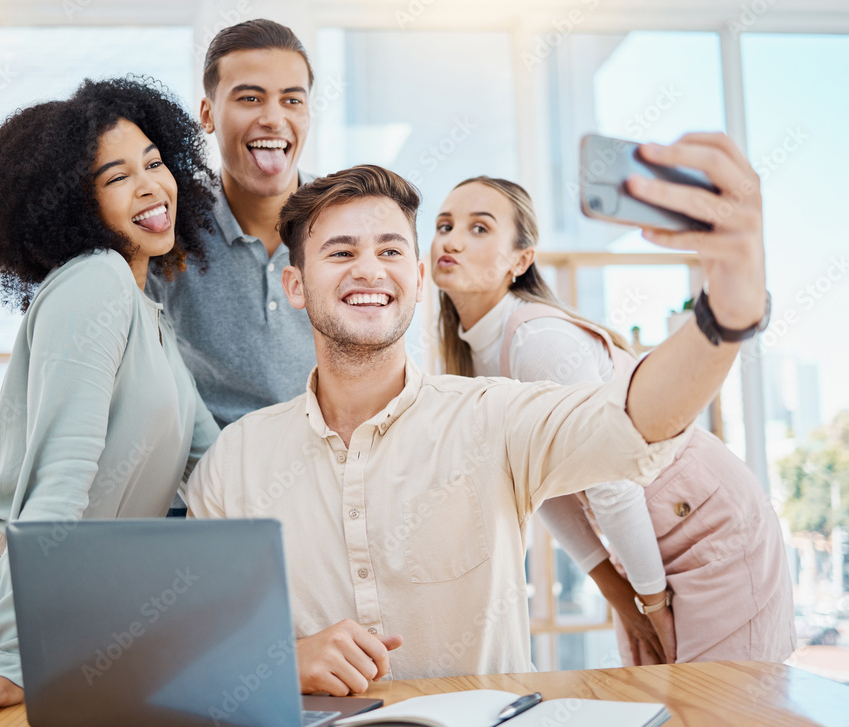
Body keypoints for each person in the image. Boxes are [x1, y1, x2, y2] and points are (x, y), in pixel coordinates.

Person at [186, 132, 773, 695]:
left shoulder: (493, 418)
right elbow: (195, 647)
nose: (369, 269)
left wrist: (728, 306)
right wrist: (282, 661)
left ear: (417, 280)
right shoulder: (233, 464)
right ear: (295, 284)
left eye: (390, 251)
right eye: (341, 252)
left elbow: (633, 420)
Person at [0, 77, 220, 725]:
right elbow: (60, 480)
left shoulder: (146, 311)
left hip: (63, 600)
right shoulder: (94, 282)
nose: (149, 186)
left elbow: (212, 463)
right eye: (116, 177)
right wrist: (16, 658)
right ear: (71, 203)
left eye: (155, 164)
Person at [430, 175, 795, 666]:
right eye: (444, 225)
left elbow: (610, 476)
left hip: (709, 524)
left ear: (520, 260)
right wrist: (617, 588)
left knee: (721, 709)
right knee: (673, 707)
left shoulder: (536, 342)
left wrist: (650, 600)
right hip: (646, 541)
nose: (451, 240)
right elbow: (546, 485)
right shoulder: (474, 359)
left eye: (479, 229)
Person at [146, 19, 318, 429]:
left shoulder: (342, 222)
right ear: (207, 114)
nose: (274, 119)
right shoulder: (167, 225)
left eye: (292, 101)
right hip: (205, 474)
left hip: (324, 469)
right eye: (250, 98)